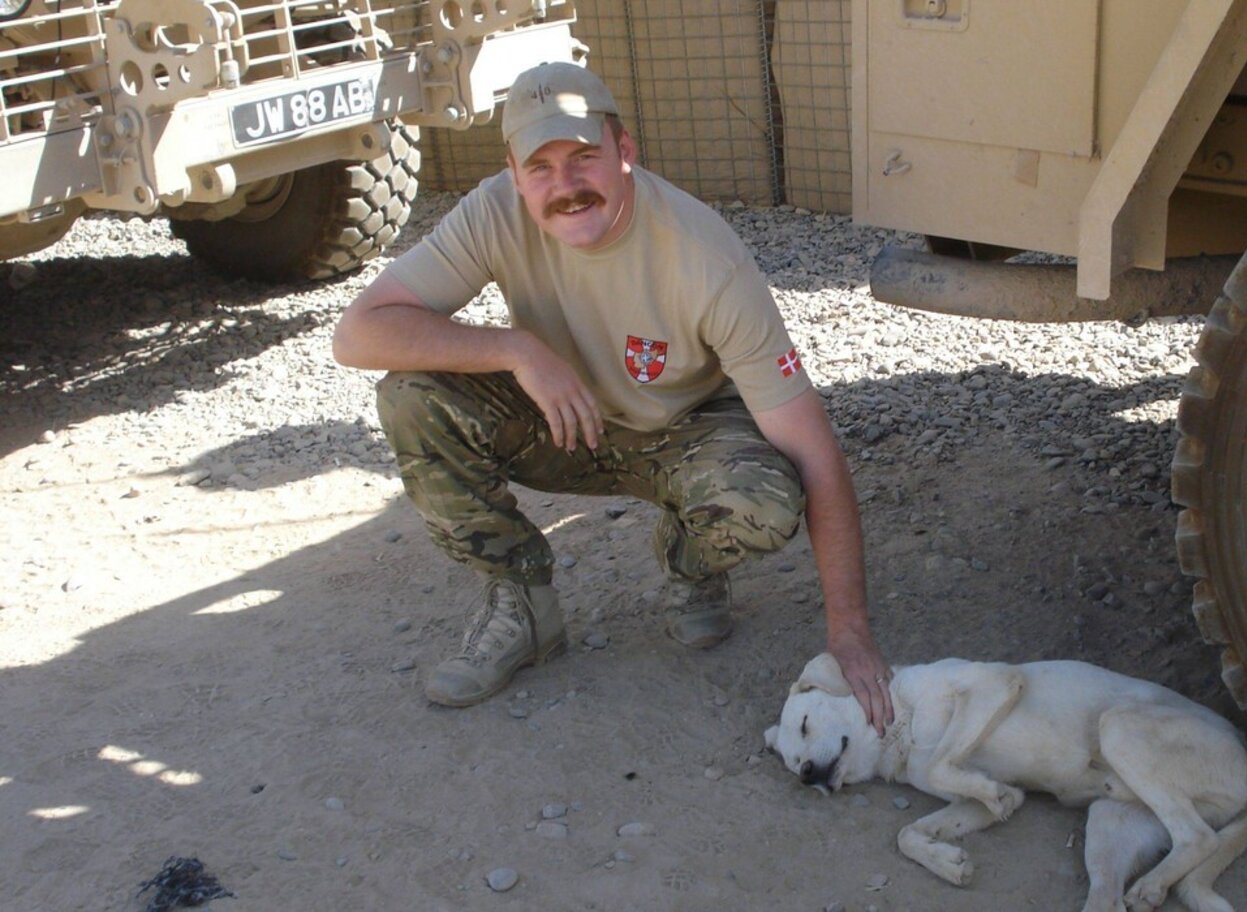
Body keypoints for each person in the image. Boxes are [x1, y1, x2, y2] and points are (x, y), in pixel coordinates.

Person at [332, 61, 892, 730]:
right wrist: (517, 350)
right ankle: (522, 602)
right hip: (566, 420)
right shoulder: (493, 212)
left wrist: (849, 632)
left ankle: (691, 559)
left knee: (762, 500)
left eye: (583, 158)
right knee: (413, 397)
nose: (565, 186)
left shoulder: (703, 257)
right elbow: (358, 334)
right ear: (513, 173)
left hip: (682, 429)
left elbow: (813, 449)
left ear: (624, 149)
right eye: (540, 167)